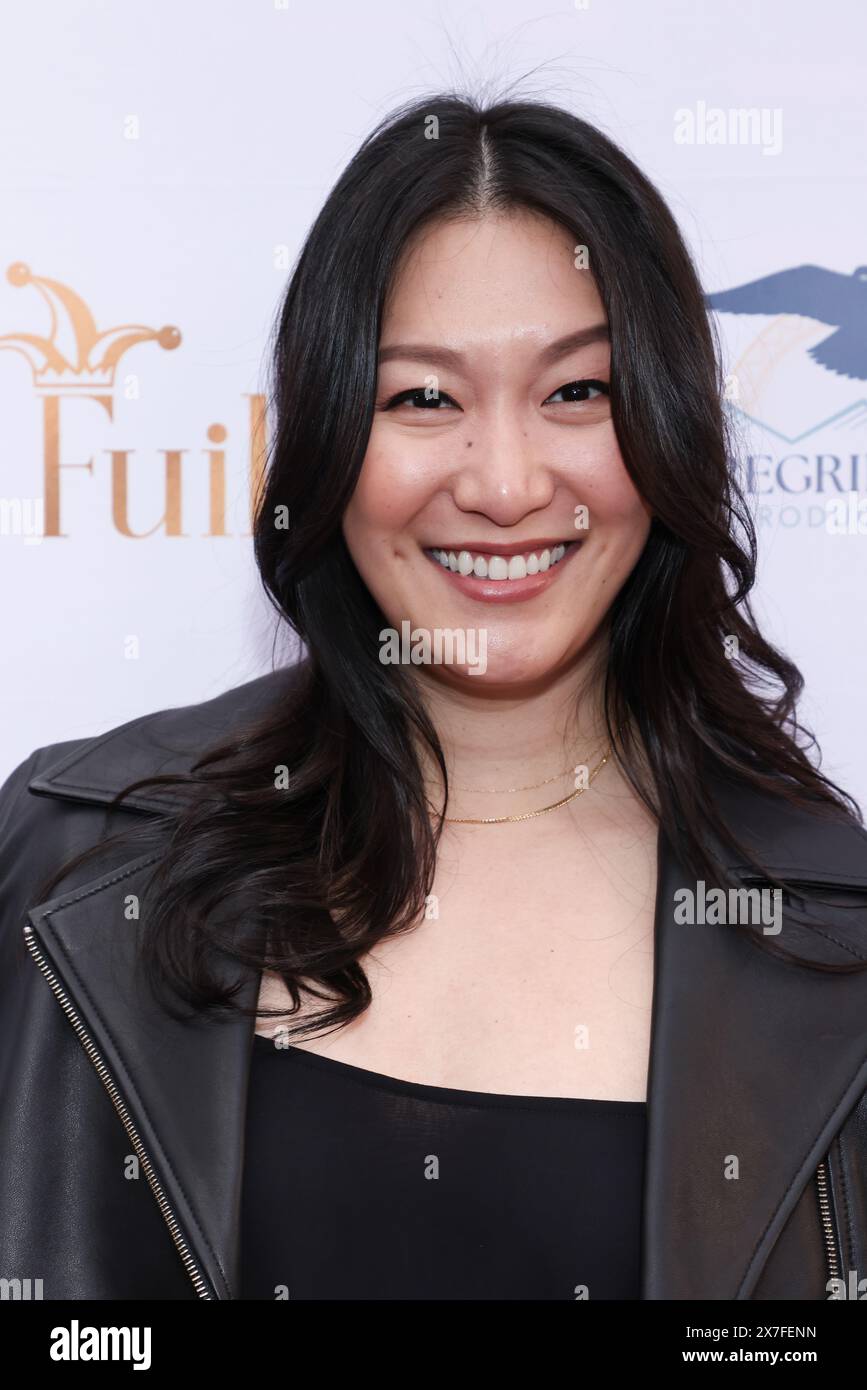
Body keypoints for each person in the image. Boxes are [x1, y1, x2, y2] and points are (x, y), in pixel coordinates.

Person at [2, 90, 867, 1303]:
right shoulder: (75, 857)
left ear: (668, 426)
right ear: (324, 440)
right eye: (423, 399)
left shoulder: (833, 935)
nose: (507, 484)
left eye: (578, 392)